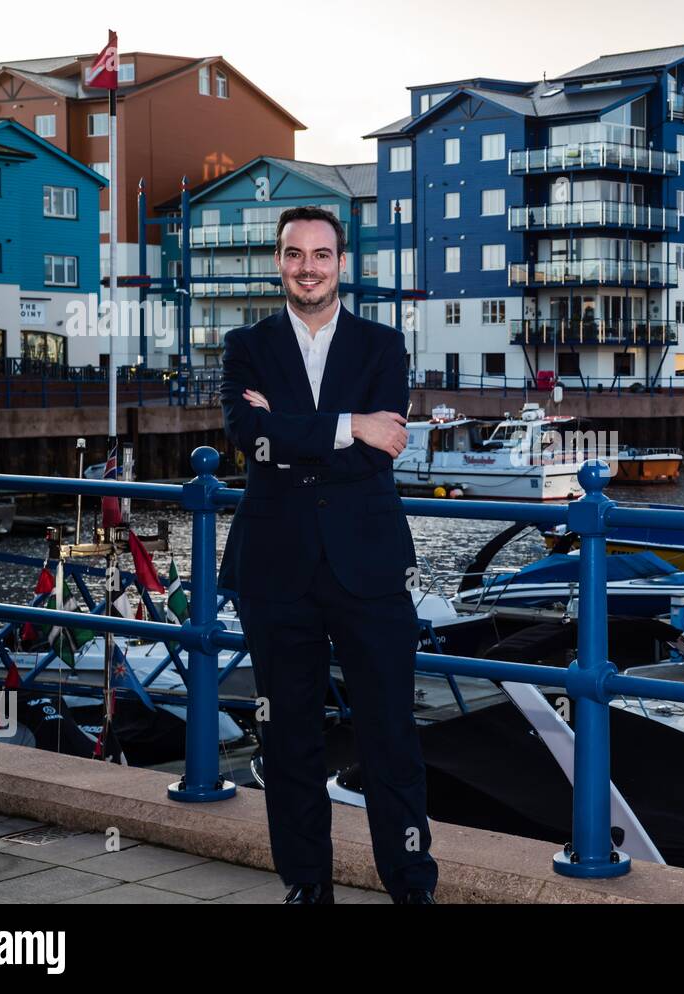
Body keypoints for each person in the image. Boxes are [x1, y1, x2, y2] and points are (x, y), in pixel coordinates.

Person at [218, 205, 438, 904]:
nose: (307, 267)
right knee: (288, 740)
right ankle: (307, 884)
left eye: (320, 254)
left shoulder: (382, 344)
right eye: (293, 254)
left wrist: (291, 431)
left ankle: (411, 882)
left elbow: (389, 444)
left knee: (391, 736)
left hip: (367, 564)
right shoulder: (245, 345)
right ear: (278, 261)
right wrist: (349, 425)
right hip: (274, 567)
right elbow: (245, 440)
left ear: (341, 263)